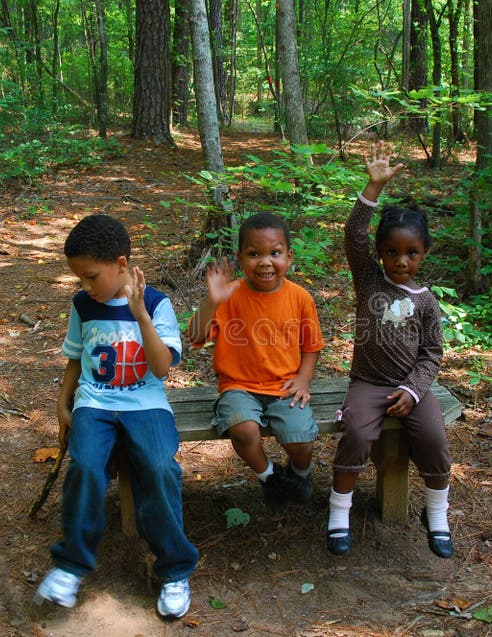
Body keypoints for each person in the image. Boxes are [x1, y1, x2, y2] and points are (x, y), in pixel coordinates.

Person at [34, 214, 199, 619]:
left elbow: (161, 369)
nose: (85, 287)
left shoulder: (157, 304)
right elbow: (75, 358)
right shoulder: (82, 306)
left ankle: (175, 570)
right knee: (86, 466)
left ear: (121, 265)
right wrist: (62, 402)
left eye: (91, 277)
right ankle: (70, 566)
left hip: (145, 403)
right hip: (94, 402)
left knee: (160, 469)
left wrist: (140, 315)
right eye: (80, 280)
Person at [326, 142, 454, 558]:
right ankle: (339, 513)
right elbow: (352, 233)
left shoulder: (427, 301)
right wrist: (372, 188)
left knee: (434, 438)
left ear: (424, 254)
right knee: (356, 435)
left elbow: (432, 353)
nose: (401, 261)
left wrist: (414, 391)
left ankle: (437, 514)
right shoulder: (369, 280)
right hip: (368, 383)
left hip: (409, 388)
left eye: (411, 253)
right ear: (380, 253)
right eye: (392, 252)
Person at [188, 212, 324, 509]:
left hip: (284, 385)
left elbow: (311, 346)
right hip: (238, 385)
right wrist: (212, 299)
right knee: (243, 428)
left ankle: (299, 475)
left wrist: (303, 379)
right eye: (254, 254)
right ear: (240, 257)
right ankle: (271, 477)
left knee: (301, 442)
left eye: (274, 253)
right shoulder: (231, 294)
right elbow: (196, 336)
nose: (264, 261)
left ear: (288, 256)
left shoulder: (299, 297)